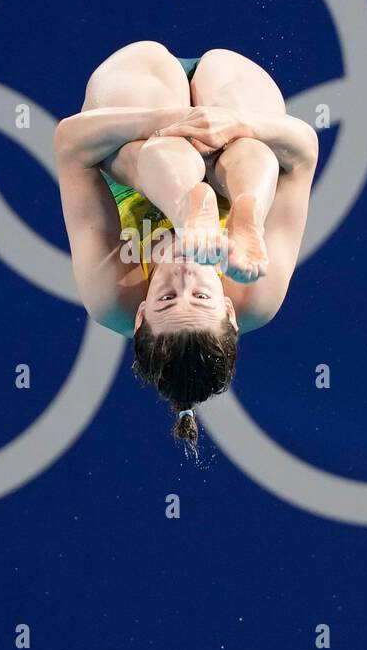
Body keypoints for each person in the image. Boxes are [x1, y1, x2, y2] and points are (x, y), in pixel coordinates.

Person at [54, 41, 318, 452]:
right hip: (234, 124)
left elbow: (69, 145)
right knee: (256, 152)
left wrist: (169, 119)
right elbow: (303, 152)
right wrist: (234, 123)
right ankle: (245, 204)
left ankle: (185, 204)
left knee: (157, 154)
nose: (182, 276)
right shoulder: (257, 294)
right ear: (229, 310)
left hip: (137, 113)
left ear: (140, 315)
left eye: (165, 298)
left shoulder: (111, 295)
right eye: (199, 294)